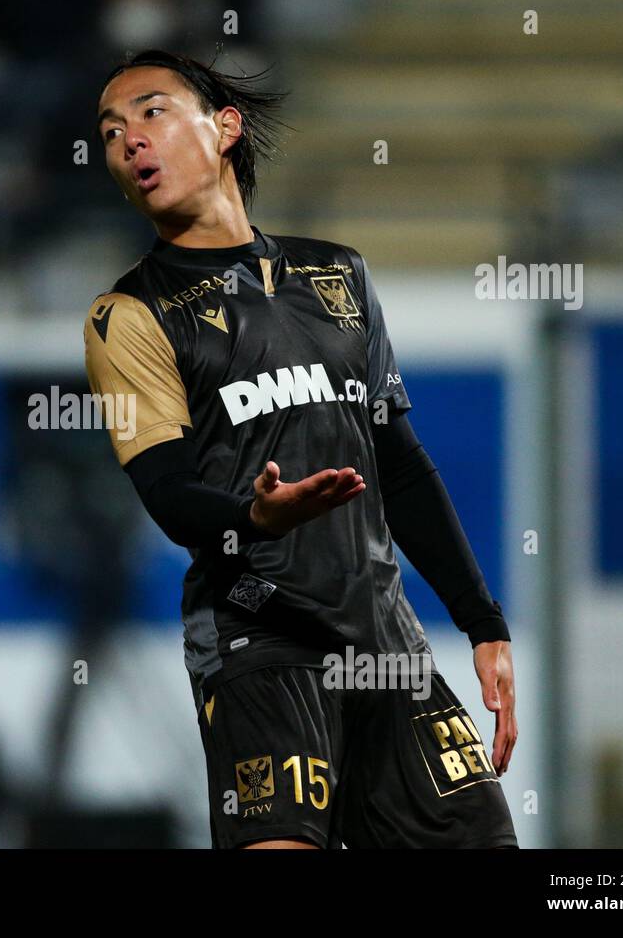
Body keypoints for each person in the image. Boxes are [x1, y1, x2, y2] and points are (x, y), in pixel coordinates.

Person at [84, 49, 518, 848]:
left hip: (387, 643)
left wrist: (481, 621)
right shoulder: (129, 315)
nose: (129, 142)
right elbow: (170, 495)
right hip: (260, 642)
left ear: (224, 128)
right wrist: (256, 516)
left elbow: (401, 465)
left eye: (151, 113)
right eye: (110, 133)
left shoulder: (339, 275)